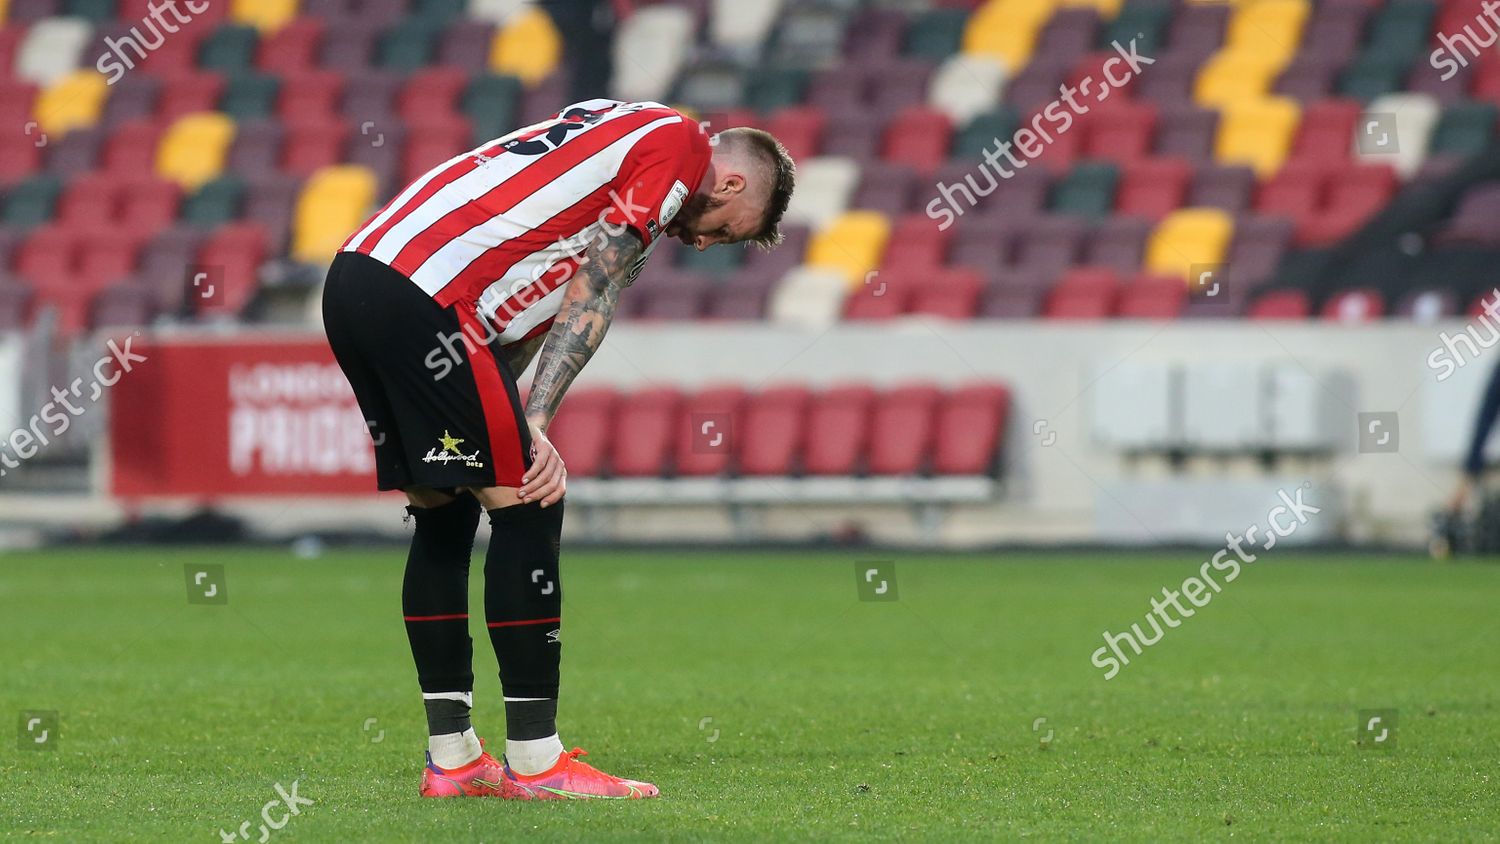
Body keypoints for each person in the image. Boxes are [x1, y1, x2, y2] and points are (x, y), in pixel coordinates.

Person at [321, 99, 795, 799]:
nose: (701, 246)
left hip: (362, 280)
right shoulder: (681, 145)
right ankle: (538, 763)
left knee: (445, 509)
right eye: (725, 232)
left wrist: (515, 418)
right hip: (429, 297)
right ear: (729, 184)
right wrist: (535, 424)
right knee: (532, 500)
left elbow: (531, 306)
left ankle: (452, 760)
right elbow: (593, 283)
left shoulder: (622, 130)